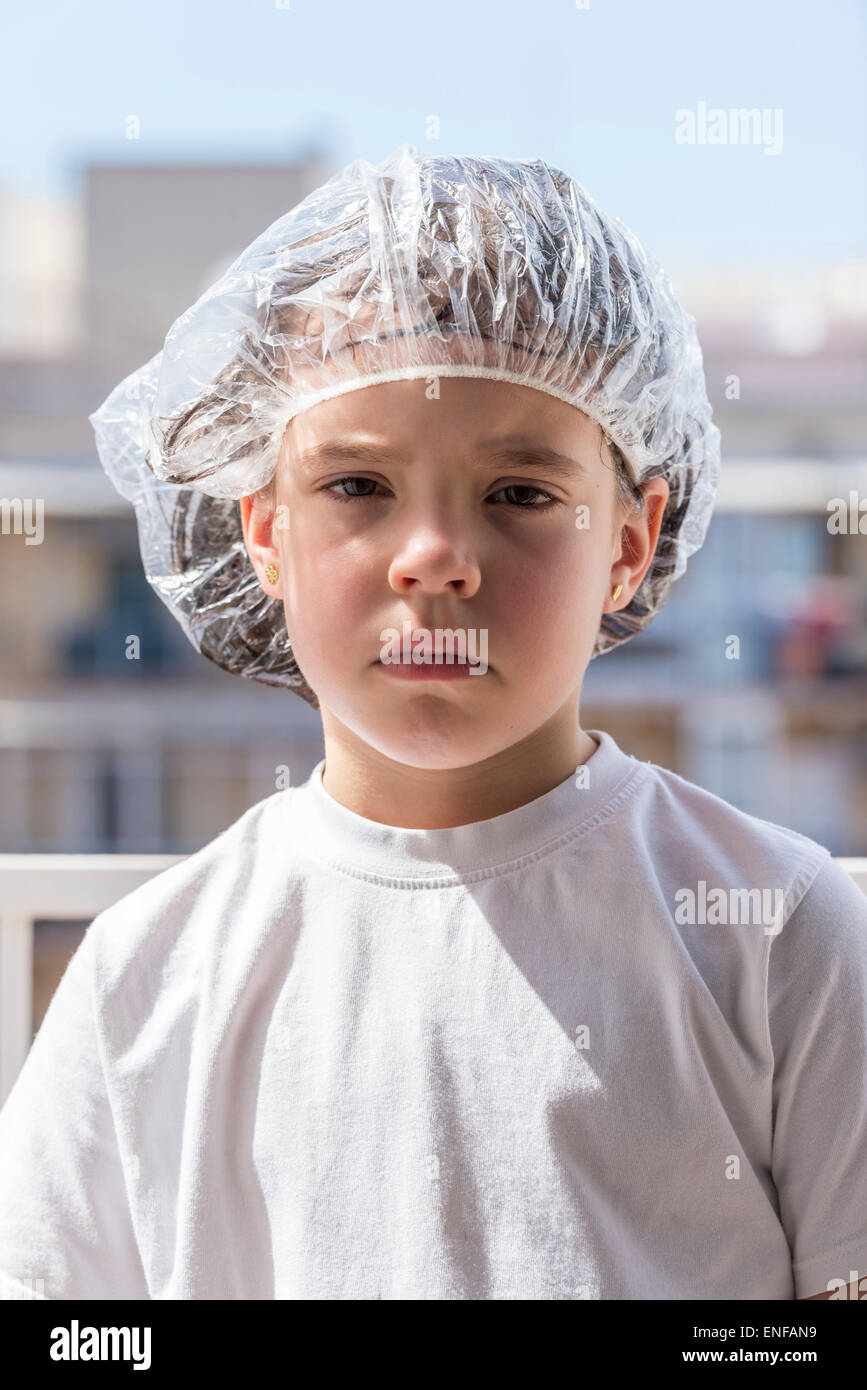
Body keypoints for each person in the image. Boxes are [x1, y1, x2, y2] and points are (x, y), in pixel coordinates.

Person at [1, 144, 865, 1301]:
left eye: (521, 493)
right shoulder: (146, 984)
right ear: (262, 534)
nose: (437, 559)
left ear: (627, 540)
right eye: (357, 486)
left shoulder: (779, 933)